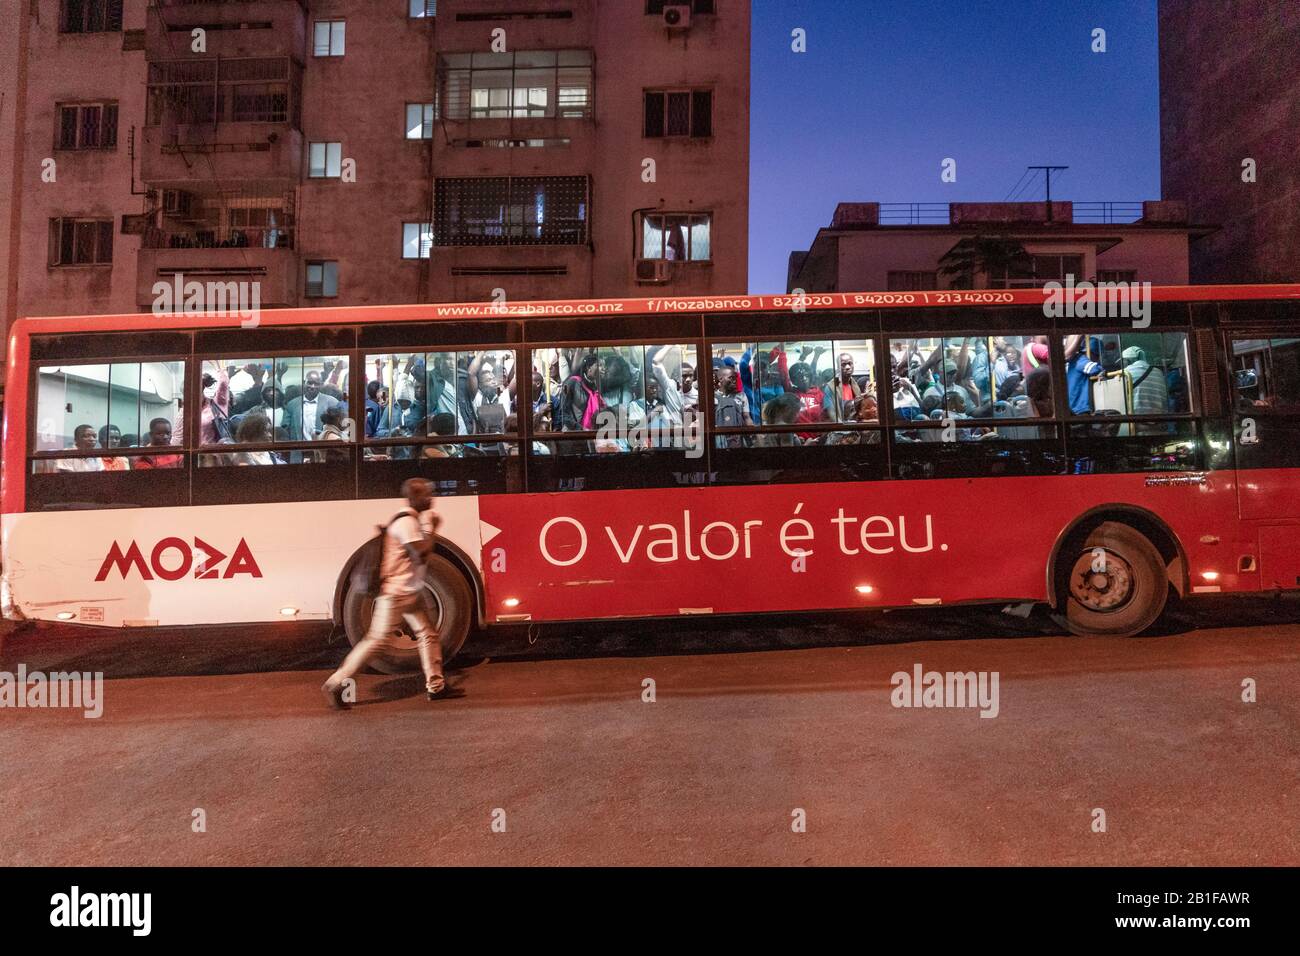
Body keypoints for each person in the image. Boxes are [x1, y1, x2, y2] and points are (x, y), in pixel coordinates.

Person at [321, 478, 450, 706]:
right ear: (415, 497)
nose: (431, 498)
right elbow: (419, 553)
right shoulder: (407, 522)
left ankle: (436, 686)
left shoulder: (410, 520)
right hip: (396, 594)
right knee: (377, 641)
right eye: (427, 494)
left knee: (428, 634)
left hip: (410, 592)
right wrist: (432, 528)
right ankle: (336, 682)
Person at [285, 370, 340, 441]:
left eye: (316, 384)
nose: (312, 386)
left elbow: (339, 427)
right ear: (304, 382)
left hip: (322, 449)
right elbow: (285, 429)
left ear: (321, 385)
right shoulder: (292, 404)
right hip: (298, 449)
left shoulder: (332, 402)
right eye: (310, 383)